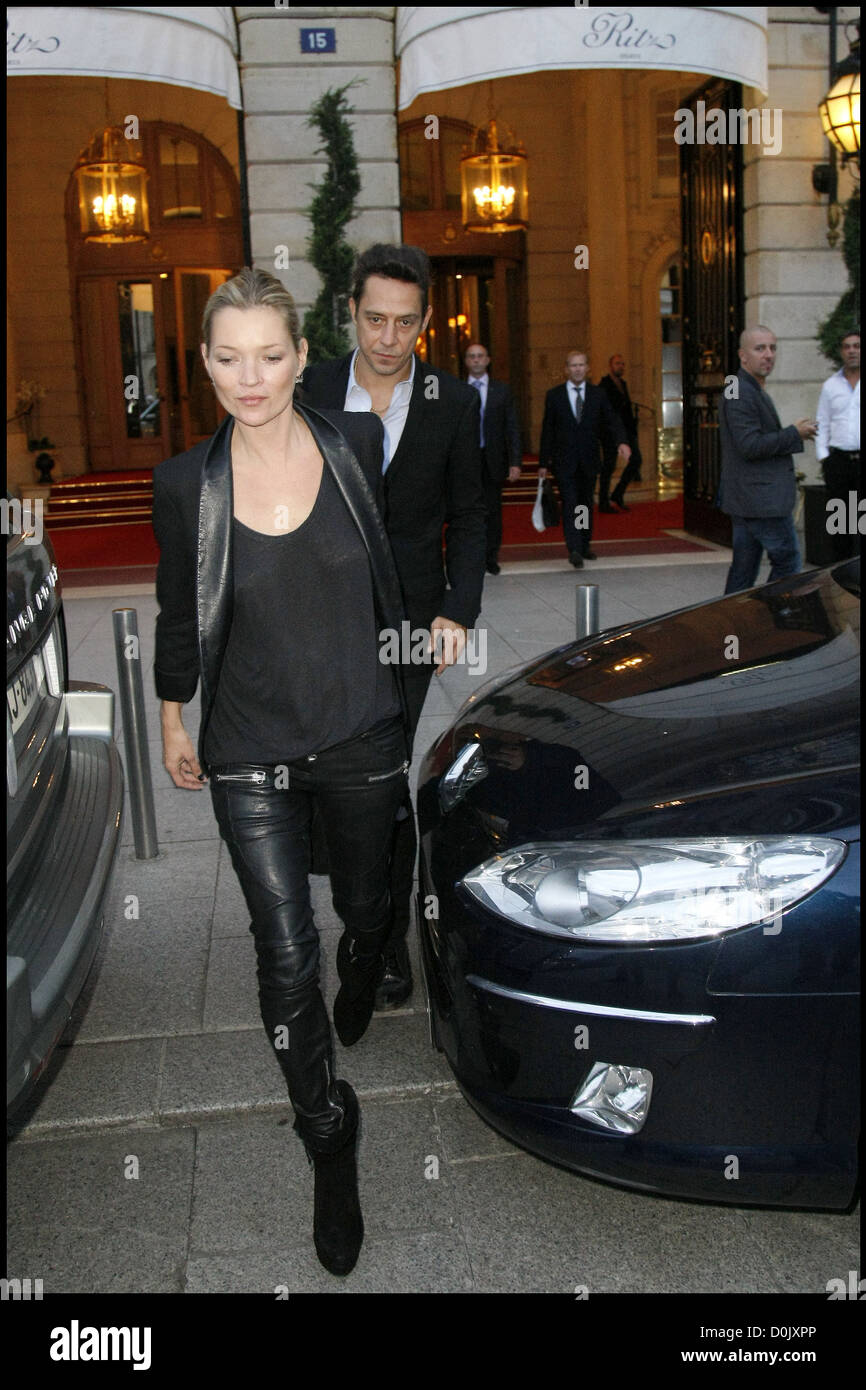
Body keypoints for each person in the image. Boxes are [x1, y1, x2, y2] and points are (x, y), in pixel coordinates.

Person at [152, 267, 412, 1278]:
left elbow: (384, 567)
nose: (248, 376)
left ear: (304, 357)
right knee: (281, 950)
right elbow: (182, 609)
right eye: (227, 357)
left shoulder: (355, 446)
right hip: (248, 747)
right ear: (205, 364)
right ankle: (327, 1133)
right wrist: (173, 716)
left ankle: (367, 958)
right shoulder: (186, 484)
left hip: (356, 733)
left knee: (364, 901)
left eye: (270, 354)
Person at [300, 243, 487, 1009]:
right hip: (320, 620)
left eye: (403, 323)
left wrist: (457, 609)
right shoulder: (307, 390)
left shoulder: (451, 401)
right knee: (342, 780)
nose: (386, 338)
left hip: (410, 621)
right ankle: (366, 922)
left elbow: (472, 515)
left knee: (380, 778)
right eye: (374, 318)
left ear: (426, 322)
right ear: (350, 311)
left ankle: (376, 942)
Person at [719, 325, 818, 594]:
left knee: (743, 572)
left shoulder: (747, 387)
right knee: (788, 562)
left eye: (773, 348)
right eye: (760, 348)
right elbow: (749, 445)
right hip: (761, 501)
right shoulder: (739, 389)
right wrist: (793, 434)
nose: (769, 354)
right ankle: (770, 619)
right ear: (743, 356)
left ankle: (733, 626)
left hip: (751, 499)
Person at [537, 349, 630, 567]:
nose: (577, 369)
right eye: (573, 365)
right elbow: (547, 430)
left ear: (587, 368)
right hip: (564, 460)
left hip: (588, 460)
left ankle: (585, 543)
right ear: (566, 369)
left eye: (581, 365)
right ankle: (574, 548)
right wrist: (543, 462)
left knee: (584, 504)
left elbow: (612, 421)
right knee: (570, 502)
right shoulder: (554, 395)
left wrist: (622, 442)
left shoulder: (598, 394)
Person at [464, 342, 522, 573]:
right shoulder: (458, 390)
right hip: (466, 462)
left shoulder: (502, 390)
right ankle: (471, 557)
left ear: (488, 360)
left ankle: (491, 556)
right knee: (468, 512)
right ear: (466, 361)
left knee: (493, 511)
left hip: (493, 460)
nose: (476, 360)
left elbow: (512, 428)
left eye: (480, 356)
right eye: (471, 356)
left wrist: (515, 461)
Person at [816, 327, 860, 562]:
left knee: (862, 521)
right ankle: (840, 571)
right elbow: (822, 421)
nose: (852, 351)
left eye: (857, 346)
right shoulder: (830, 386)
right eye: (847, 346)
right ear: (841, 352)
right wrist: (824, 457)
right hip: (839, 462)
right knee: (840, 522)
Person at [597, 353, 643, 511]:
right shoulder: (603, 385)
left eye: (622, 364)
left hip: (626, 431)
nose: (620, 366)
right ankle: (603, 501)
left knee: (636, 460)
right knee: (608, 466)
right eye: (617, 363)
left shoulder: (623, 384)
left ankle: (618, 493)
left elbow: (626, 410)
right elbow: (604, 412)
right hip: (610, 432)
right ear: (611, 366)